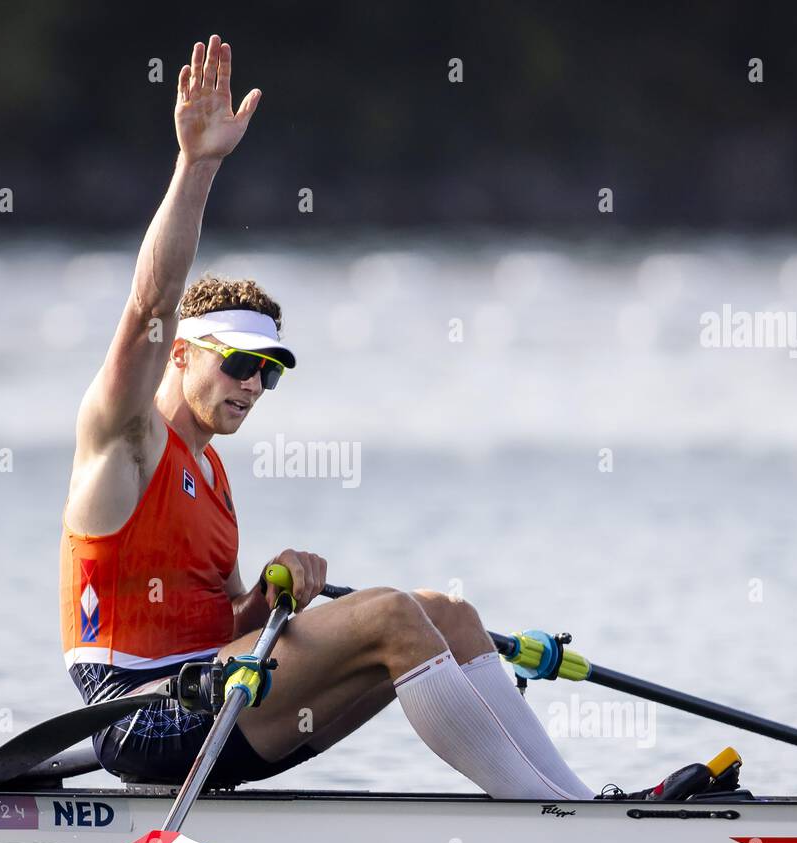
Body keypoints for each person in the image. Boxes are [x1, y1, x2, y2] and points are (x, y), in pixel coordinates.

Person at [59, 34, 594, 799]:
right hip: (138, 721)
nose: (251, 385)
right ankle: (559, 817)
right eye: (237, 363)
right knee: (392, 614)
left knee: (451, 613)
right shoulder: (125, 440)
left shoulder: (208, 474)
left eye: (267, 373)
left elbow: (221, 632)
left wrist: (274, 597)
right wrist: (198, 165)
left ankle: (572, 800)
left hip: (214, 697)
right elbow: (149, 302)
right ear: (179, 354)